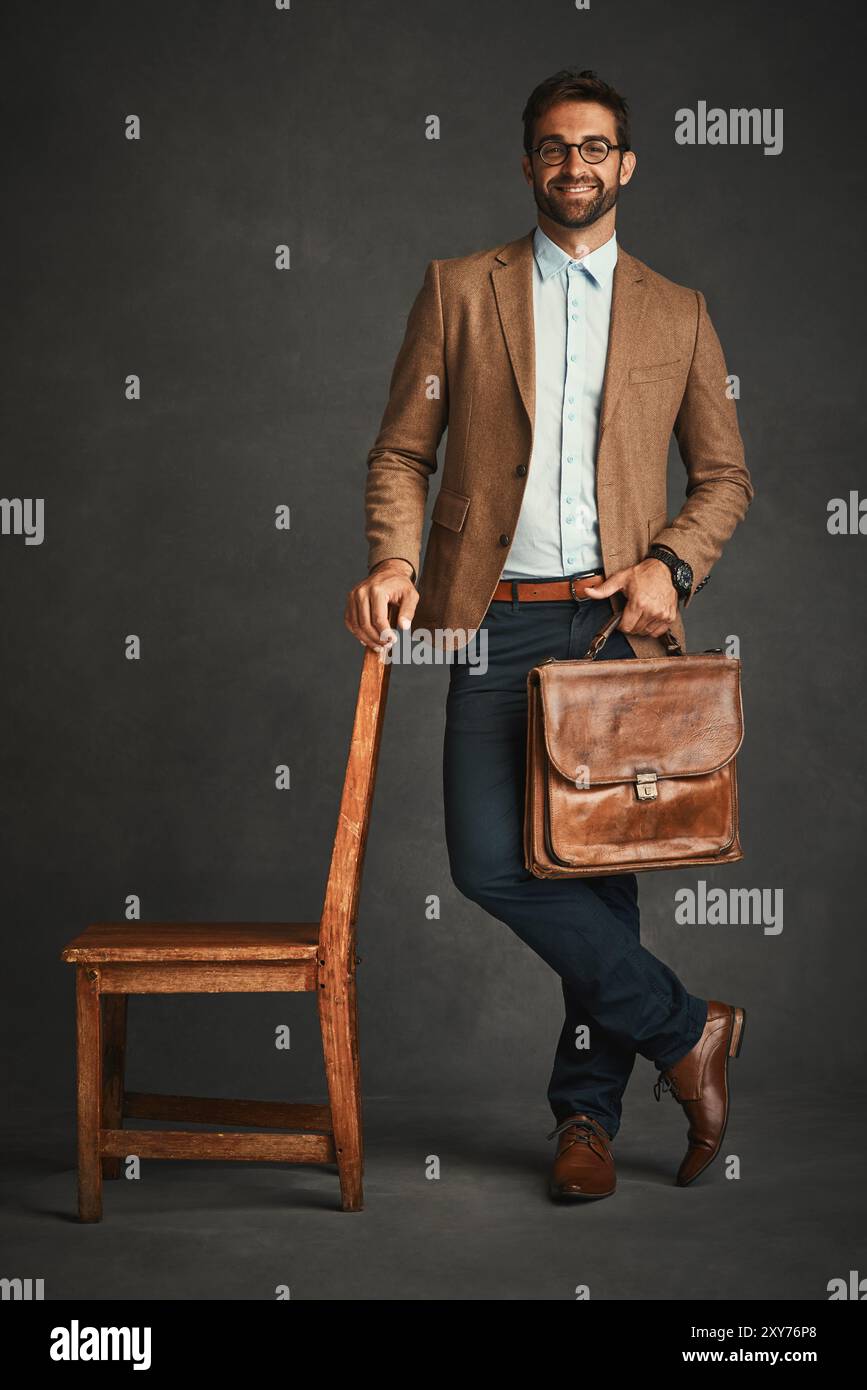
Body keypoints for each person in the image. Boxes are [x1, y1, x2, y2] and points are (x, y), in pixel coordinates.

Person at [344, 68, 753, 1201]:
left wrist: (670, 564)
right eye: (555, 148)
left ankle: (586, 1123)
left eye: (597, 148)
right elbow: (400, 453)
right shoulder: (459, 290)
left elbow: (724, 476)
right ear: (528, 165)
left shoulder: (680, 311)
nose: (577, 165)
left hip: (617, 630)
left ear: (626, 165)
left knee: (599, 884)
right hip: (491, 622)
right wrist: (393, 556)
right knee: (491, 861)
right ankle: (688, 1028)